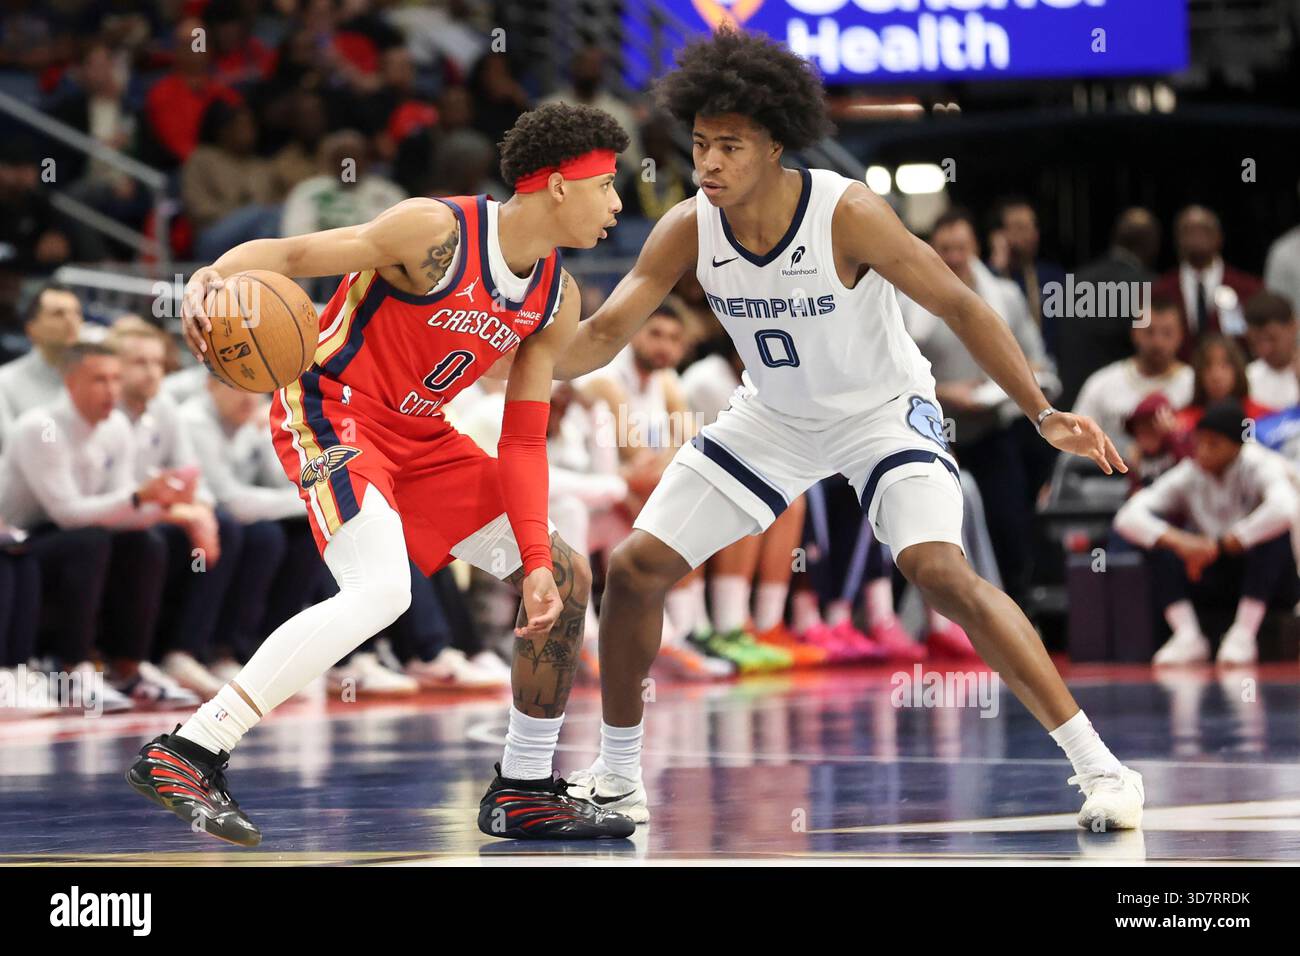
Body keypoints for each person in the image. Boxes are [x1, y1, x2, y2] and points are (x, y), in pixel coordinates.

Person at [550, 29, 1143, 832]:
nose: (710, 163)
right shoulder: (689, 225)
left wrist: (1040, 411)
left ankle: (1102, 769)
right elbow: (603, 334)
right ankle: (618, 779)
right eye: (699, 145)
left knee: (939, 570)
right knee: (635, 567)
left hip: (882, 413)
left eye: (730, 145)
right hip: (773, 418)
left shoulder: (847, 211)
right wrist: (508, 351)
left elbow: (960, 305)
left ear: (776, 144)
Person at [125, 102, 635, 845]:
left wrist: (530, 562)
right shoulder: (436, 232)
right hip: (333, 407)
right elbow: (296, 259)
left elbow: (523, 442)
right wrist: (215, 274)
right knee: (382, 591)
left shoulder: (556, 298)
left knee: (565, 571)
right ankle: (190, 749)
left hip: (424, 435)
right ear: (559, 186)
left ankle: (524, 787)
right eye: (607, 185)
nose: (619, 203)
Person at [1114, 399, 1300, 665]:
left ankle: (1243, 635)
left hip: (1271, 583)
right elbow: (1127, 517)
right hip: (1210, 571)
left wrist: (1232, 540)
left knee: (1274, 536)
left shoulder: (1261, 463)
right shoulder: (1189, 472)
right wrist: (1181, 542)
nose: (1203, 450)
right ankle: (1188, 636)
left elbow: (1285, 507)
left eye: (1214, 443)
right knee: (1159, 543)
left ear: (1237, 446)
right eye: (1199, 442)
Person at [1243, 291, 1299, 411]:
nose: (1264, 349)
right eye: (1256, 341)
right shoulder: (1245, 379)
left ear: (1293, 326)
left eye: (1272, 338)